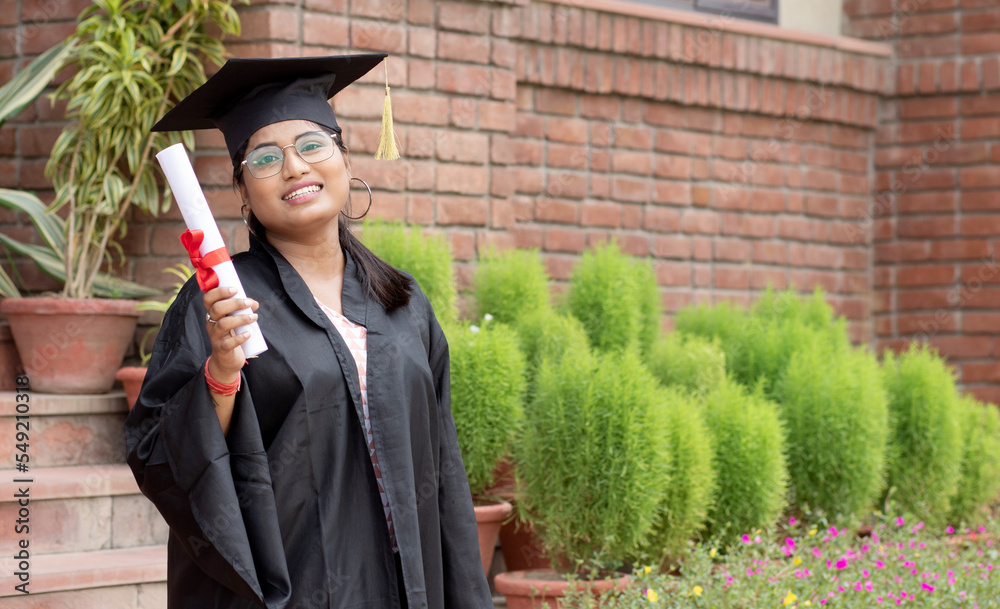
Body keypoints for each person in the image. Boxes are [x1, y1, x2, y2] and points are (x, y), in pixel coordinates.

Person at [125, 53, 493, 609]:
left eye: (313, 145)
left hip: (411, 585)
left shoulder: (405, 302)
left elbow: (442, 463)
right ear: (244, 193)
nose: (294, 168)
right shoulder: (221, 302)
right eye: (265, 158)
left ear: (344, 160)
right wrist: (221, 373)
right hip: (299, 585)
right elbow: (158, 450)